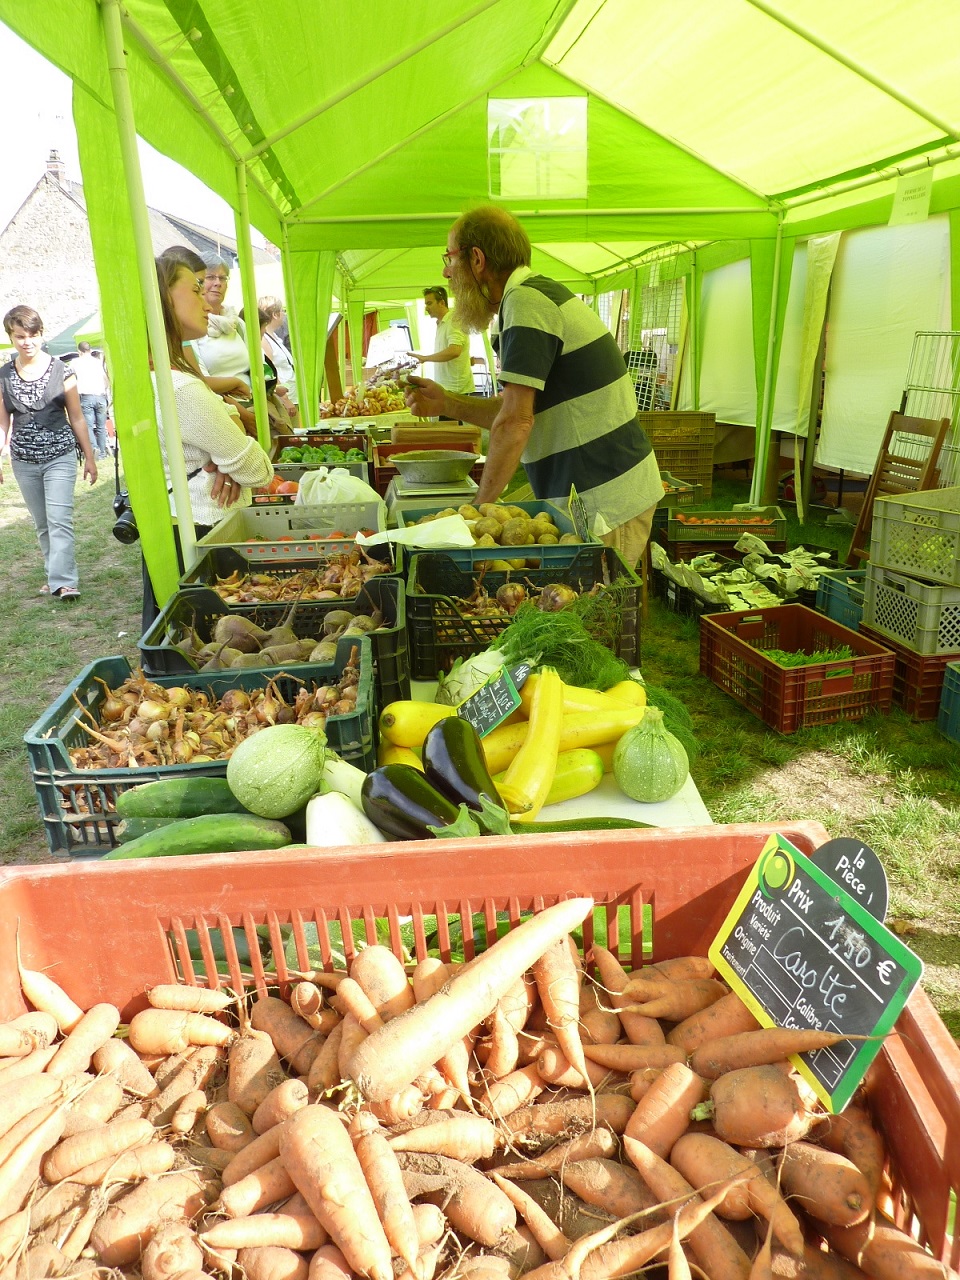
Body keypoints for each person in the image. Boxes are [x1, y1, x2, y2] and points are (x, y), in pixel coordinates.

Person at [403, 206, 662, 567]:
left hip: (605, 498)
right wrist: (446, 402)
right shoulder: (524, 299)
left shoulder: (526, 301)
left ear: (476, 259)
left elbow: (515, 422)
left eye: (450, 259)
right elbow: (515, 408)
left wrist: (477, 514)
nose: (447, 273)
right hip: (595, 493)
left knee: (598, 601)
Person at [141, 245, 274, 629]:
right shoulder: (181, 388)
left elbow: (227, 436)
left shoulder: (157, 375)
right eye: (196, 289)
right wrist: (230, 449)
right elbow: (258, 471)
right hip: (202, 531)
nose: (206, 302)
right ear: (164, 298)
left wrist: (224, 449)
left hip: (181, 523)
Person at [0, 305, 98, 600]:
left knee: (59, 519)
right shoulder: (3, 375)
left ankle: (65, 582)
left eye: (32, 335)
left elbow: (77, 417)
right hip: (24, 461)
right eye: (20, 336)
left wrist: (90, 457)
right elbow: (3, 423)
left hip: (60, 455)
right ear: (11, 337)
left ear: (41, 334)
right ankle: (54, 575)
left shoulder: (62, 370)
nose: (27, 341)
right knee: (43, 523)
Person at [191, 253, 258, 437]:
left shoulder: (238, 325)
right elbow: (200, 382)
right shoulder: (193, 328)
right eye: (210, 277)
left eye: (222, 278)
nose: (217, 283)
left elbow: (257, 367)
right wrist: (243, 414)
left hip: (254, 406)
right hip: (222, 414)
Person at [407, 286, 475, 395]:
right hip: (446, 388)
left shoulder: (454, 321)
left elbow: (455, 351)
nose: (426, 308)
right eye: (426, 304)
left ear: (442, 303)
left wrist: (426, 358)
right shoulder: (442, 323)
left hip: (456, 391)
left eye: (429, 303)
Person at [258, 295, 299, 415]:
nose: (284, 314)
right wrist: (285, 399)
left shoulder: (273, 336)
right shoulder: (264, 339)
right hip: (284, 401)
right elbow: (269, 371)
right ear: (275, 314)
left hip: (291, 396)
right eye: (282, 311)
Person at [73, 341, 110, 459]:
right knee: (101, 426)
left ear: (79, 351)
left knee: (88, 426)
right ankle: (102, 453)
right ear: (90, 350)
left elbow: (71, 379)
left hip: (86, 397)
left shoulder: (75, 363)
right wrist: (104, 390)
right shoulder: (97, 362)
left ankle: (95, 449)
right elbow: (105, 379)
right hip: (100, 396)